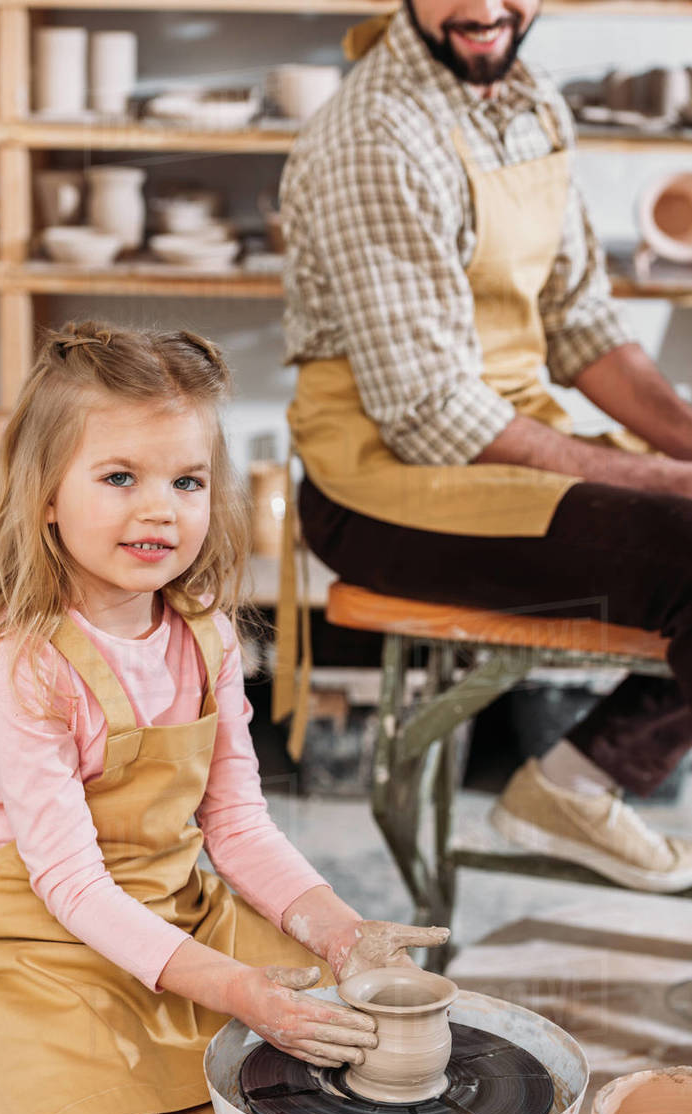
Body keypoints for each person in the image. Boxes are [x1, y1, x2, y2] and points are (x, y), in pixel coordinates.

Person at [0, 321, 449, 1114]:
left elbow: (234, 824)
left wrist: (341, 930)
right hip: (47, 940)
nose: (159, 507)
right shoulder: (24, 666)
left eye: (186, 481)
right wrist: (237, 990)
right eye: (119, 477)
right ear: (45, 492)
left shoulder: (205, 636)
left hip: (174, 901)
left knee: (362, 1030)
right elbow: (72, 887)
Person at [278, 0, 692, 893]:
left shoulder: (530, 98)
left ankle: (574, 782)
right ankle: (583, 783)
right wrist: (662, 479)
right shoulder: (374, 134)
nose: (481, 4)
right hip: (383, 483)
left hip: (507, 436)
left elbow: (578, 323)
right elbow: (430, 413)